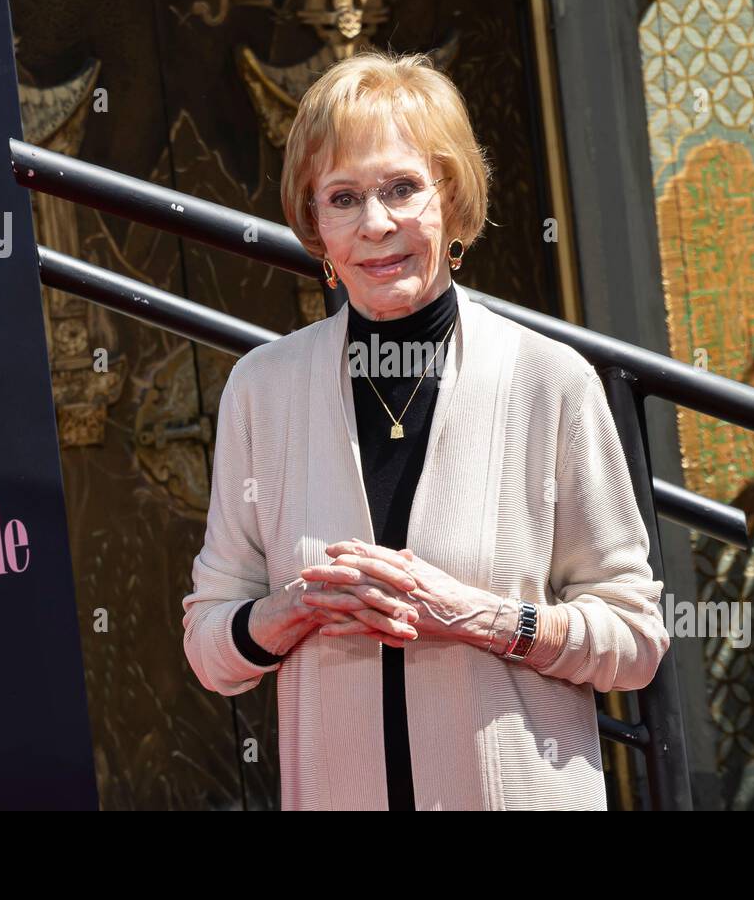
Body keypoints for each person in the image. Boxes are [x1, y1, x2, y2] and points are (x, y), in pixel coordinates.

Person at [181, 50, 669, 810]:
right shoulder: (261, 391)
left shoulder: (551, 380)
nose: (376, 224)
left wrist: (478, 616)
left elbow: (635, 641)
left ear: (452, 197)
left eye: (403, 187)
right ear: (316, 224)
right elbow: (213, 649)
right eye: (343, 197)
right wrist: (294, 608)